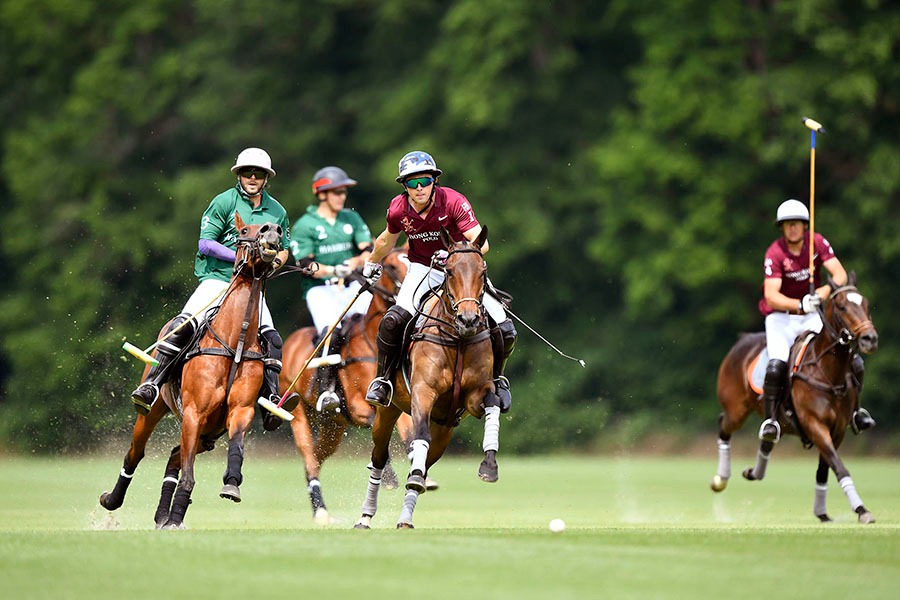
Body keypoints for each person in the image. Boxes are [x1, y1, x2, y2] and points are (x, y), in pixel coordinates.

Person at [130, 147, 300, 431]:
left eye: (259, 174)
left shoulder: (277, 211)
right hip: (218, 280)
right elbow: (206, 243)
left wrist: (276, 262)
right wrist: (239, 256)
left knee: (273, 339)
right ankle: (152, 385)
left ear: (266, 178)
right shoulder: (223, 202)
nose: (253, 177)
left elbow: (283, 250)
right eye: (248, 172)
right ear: (239, 175)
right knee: (182, 325)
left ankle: (271, 401)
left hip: (252, 287)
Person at [359, 150, 517, 410]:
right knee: (392, 321)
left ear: (434, 181)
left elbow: (481, 243)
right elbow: (387, 239)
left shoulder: (453, 201)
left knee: (504, 326)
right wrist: (372, 262)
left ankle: (498, 378)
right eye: (412, 182)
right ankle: (383, 380)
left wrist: (454, 254)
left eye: (425, 181)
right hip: (423, 268)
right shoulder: (398, 209)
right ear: (404, 186)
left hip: (462, 270)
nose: (419, 188)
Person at [757, 198, 875, 443]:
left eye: (797, 223)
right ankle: (771, 421)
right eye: (787, 224)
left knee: (852, 359)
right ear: (782, 227)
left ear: (805, 225)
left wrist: (820, 295)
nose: (793, 228)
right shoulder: (775, 252)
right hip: (781, 319)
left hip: (812, 316)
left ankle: (855, 412)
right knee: (777, 365)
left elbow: (840, 275)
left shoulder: (817, 242)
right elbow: (771, 296)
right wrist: (799, 304)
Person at [289, 166, 374, 412]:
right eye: (337, 192)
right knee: (331, 331)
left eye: (344, 192)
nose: (342, 197)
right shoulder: (305, 225)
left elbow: (368, 250)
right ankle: (327, 390)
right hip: (320, 289)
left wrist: (355, 263)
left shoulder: (351, 218)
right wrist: (334, 269)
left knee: (382, 321)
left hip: (352, 286)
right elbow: (306, 264)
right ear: (322, 193)